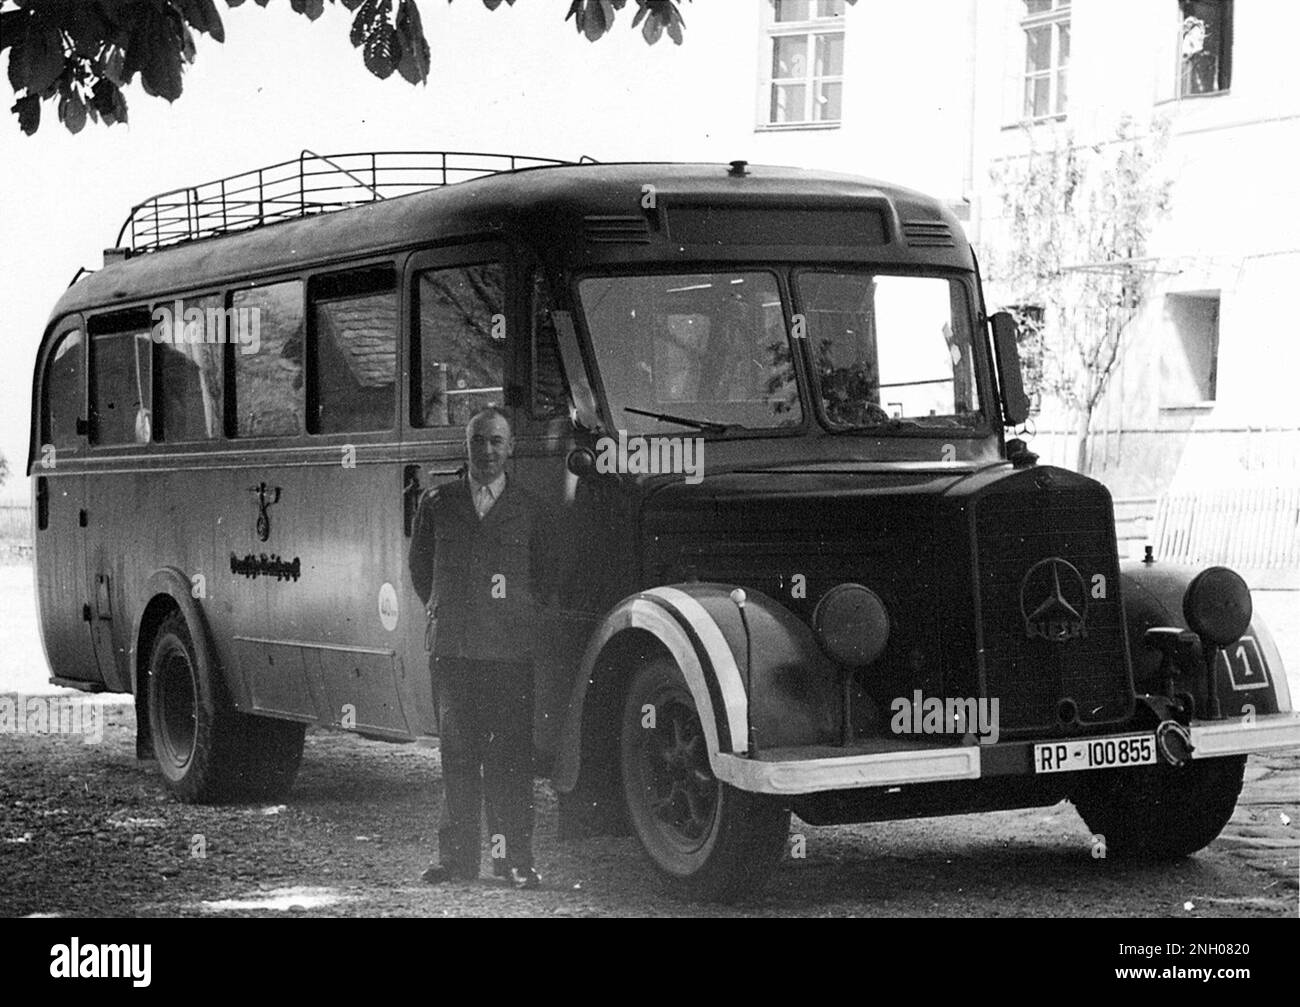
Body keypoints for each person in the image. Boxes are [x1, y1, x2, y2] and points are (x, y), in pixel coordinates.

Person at [407, 406, 555, 889]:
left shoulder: (530, 508)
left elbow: (546, 577)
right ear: (466, 447)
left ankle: (513, 862)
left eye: (496, 441)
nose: (487, 451)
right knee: (458, 755)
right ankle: (456, 860)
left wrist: (516, 618)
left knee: (510, 757)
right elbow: (421, 570)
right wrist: (450, 613)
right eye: (478, 441)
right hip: (453, 650)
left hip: (509, 654)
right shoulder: (438, 502)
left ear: (511, 448)